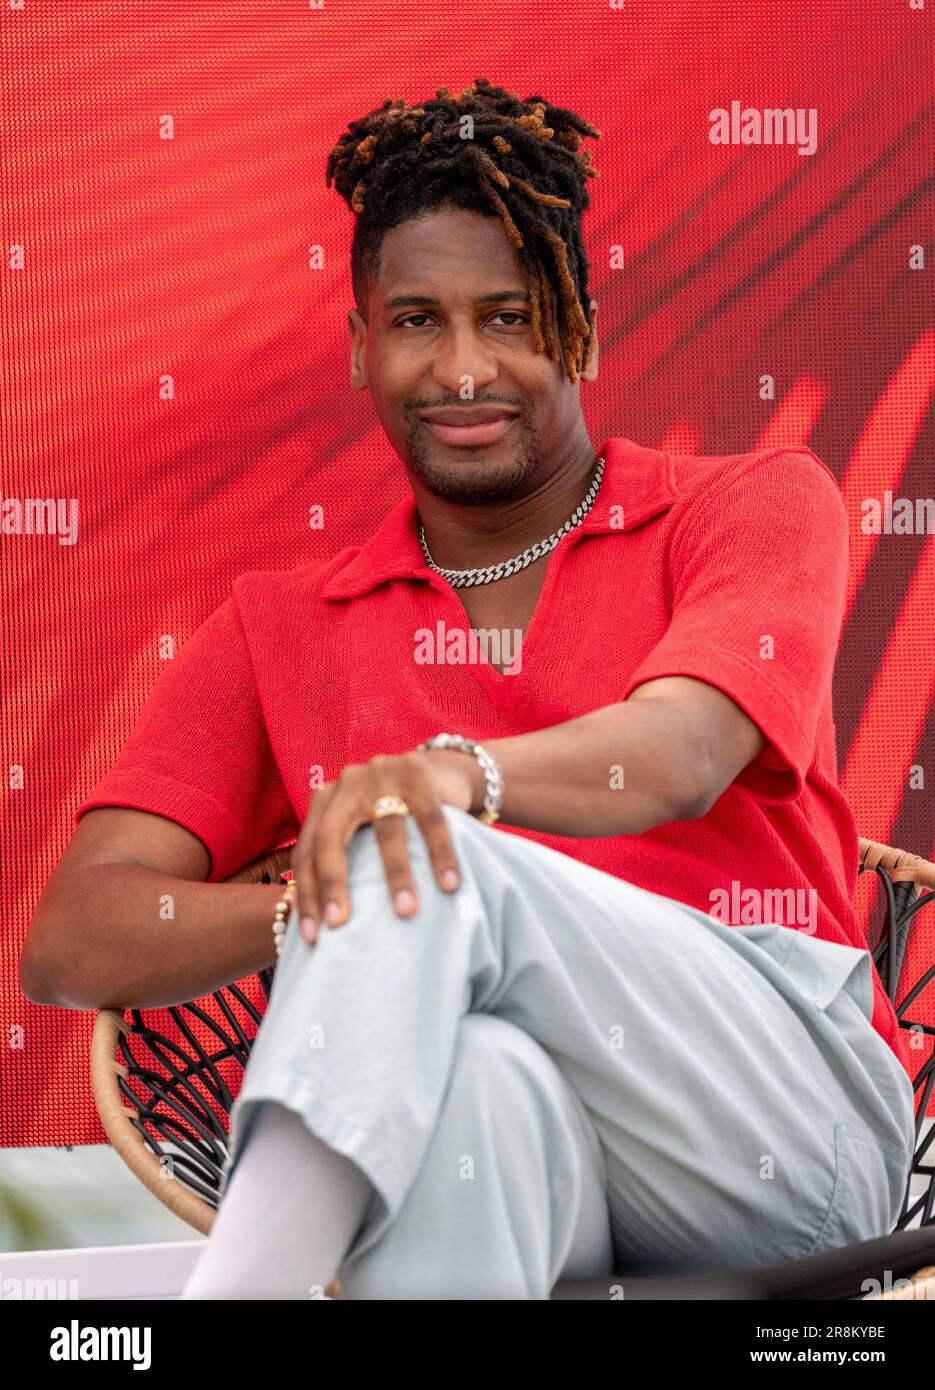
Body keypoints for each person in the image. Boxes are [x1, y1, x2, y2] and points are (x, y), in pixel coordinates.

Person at [21, 78, 916, 1300]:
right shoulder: (282, 626)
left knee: (417, 855)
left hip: (779, 1139)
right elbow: (71, 942)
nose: (461, 368)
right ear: (359, 344)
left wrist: (455, 783)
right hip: (542, 1161)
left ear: (584, 334)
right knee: (472, 1092)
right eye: (414, 322)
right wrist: (321, 917)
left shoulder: (747, 505)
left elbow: (683, 750)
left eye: (510, 317)